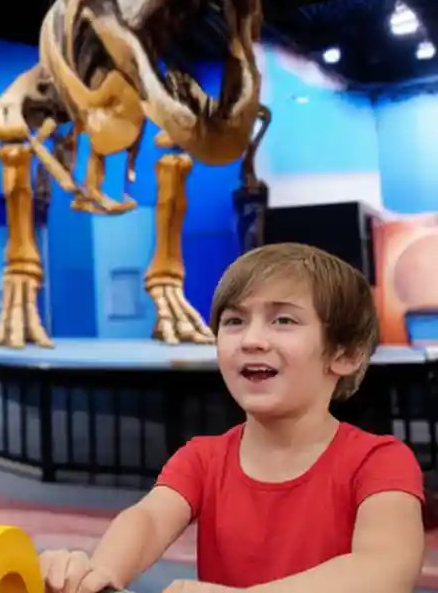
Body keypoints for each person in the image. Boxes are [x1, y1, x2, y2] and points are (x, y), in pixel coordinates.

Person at [39, 243, 426, 593]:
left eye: (283, 321)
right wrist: (101, 571)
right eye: (234, 321)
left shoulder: (379, 461)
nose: (251, 339)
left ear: (345, 353)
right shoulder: (202, 459)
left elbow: (384, 568)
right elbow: (149, 519)